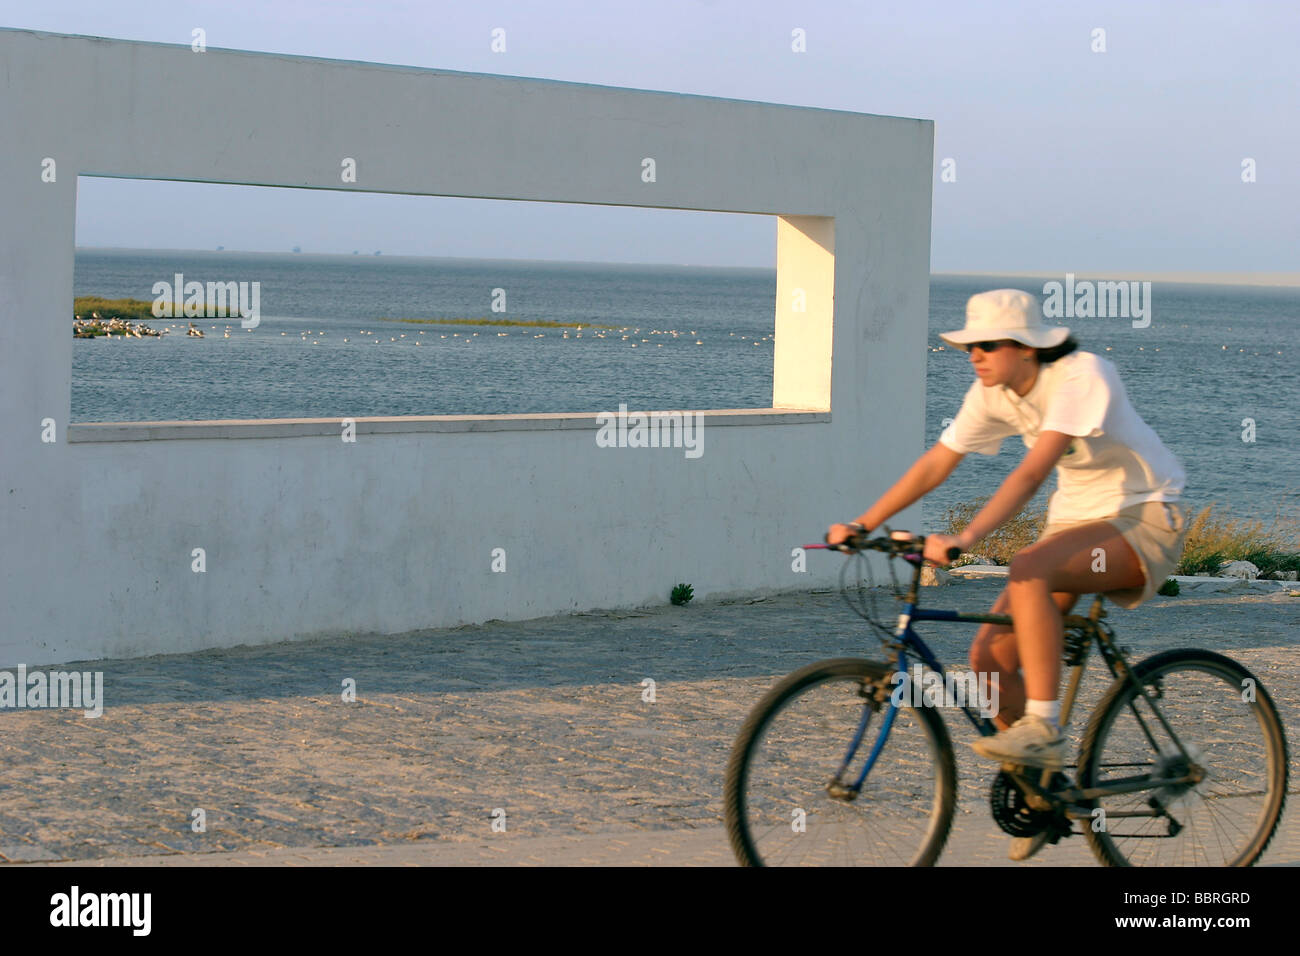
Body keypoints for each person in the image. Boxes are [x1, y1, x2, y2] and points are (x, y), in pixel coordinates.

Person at [826, 288, 1189, 860]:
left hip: (1143, 516)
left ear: (1024, 348)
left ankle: (1043, 728)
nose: (974, 354)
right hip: (1074, 530)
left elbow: (1032, 471)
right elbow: (937, 462)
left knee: (1028, 569)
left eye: (987, 344)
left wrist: (966, 539)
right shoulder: (993, 392)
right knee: (988, 659)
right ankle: (1043, 797)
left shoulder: (1079, 375)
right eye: (968, 345)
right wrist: (863, 522)